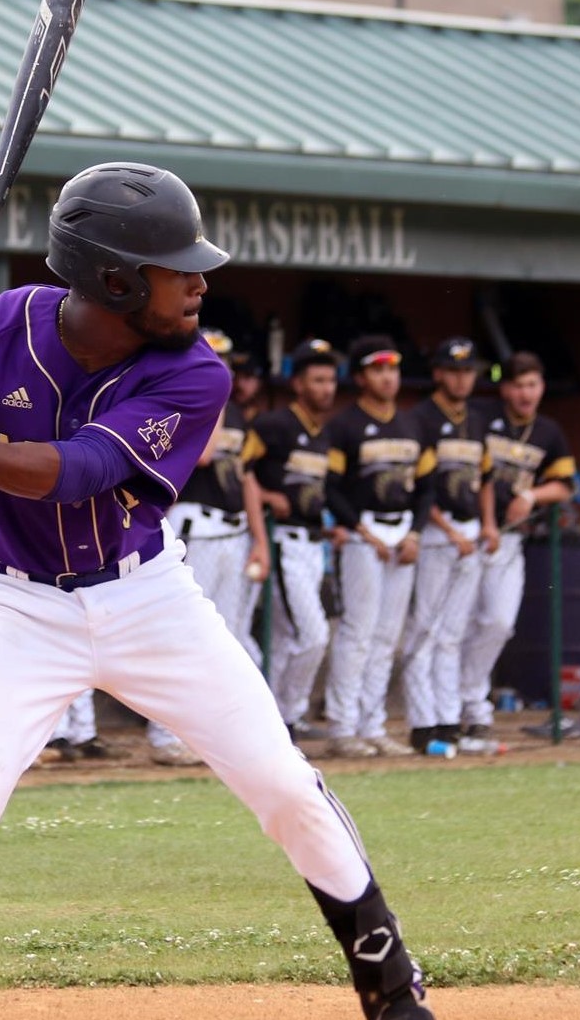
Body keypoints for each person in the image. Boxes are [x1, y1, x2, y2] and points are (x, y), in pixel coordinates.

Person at [0, 161, 439, 1020]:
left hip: (148, 601)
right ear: (115, 278)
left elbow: (88, 470)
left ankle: (392, 988)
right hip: (11, 607)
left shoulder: (194, 374)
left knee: (283, 785)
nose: (201, 283)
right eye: (180, 267)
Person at [155, 328, 267, 767]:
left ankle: (224, 733)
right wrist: (213, 397)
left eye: (226, 363)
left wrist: (260, 541)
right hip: (193, 529)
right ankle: (166, 736)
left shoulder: (236, 413)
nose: (220, 368)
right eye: (212, 360)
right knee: (183, 633)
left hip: (233, 532)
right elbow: (200, 456)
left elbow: (248, 478)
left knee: (231, 634)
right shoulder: (180, 400)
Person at [457, 353, 576, 745]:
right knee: (457, 624)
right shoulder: (480, 416)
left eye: (533, 385)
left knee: (499, 622)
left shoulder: (548, 431)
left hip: (510, 539)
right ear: (505, 387)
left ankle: (470, 700)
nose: (527, 394)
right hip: (470, 533)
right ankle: (461, 708)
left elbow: (565, 484)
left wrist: (532, 494)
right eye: (519, 385)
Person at [323, 335, 422, 760]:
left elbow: (428, 485)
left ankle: (373, 725)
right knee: (358, 632)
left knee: (387, 638)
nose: (388, 377)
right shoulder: (345, 425)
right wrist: (359, 529)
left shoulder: (411, 424)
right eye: (378, 370)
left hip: (402, 535)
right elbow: (330, 486)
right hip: (364, 534)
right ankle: (343, 728)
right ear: (361, 377)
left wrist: (415, 530)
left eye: (393, 369)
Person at [246, 338, 343, 741]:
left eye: (331, 380)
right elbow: (241, 470)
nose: (326, 388)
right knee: (314, 634)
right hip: (281, 540)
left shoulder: (327, 433)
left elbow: (321, 488)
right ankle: (286, 715)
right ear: (298, 384)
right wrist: (266, 499)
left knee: (289, 638)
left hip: (312, 542)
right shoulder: (273, 425)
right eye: (317, 380)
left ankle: (278, 719)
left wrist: (332, 523)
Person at [399, 338, 490, 755]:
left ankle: (449, 719)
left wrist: (488, 524)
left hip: (470, 532)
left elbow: (485, 480)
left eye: (468, 370)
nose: (461, 378)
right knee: (426, 627)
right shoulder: (422, 418)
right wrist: (448, 530)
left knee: (452, 631)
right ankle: (423, 722)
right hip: (438, 533)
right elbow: (423, 488)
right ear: (438, 372)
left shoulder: (478, 418)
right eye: (453, 370)